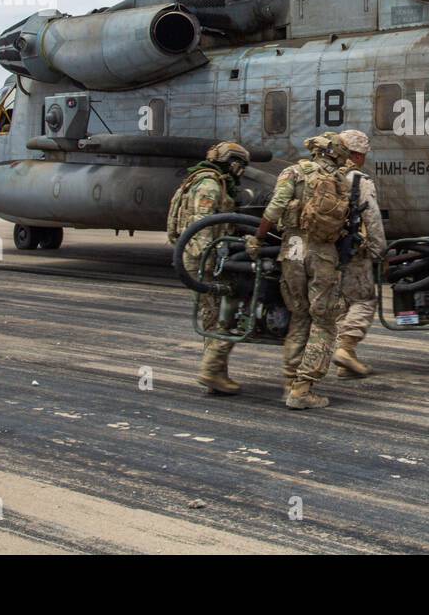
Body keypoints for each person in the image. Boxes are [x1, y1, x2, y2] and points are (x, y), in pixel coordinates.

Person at [250, 133, 352, 409]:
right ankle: (303, 388)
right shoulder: (341, 180)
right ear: (338, 154)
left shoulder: (292, 172)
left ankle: (289, 380)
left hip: (292, 248)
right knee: (324, 320)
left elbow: (274, 209)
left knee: (299, 317)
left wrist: (258, 239)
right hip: (322, 252)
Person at [166, 141, 251, 396]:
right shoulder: (210, 185)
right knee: (220, 316)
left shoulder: (200, 180)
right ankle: (213, 371)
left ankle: (215, 371)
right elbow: (201, 226)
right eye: (240, 166)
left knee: (213, 316)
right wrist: (211, 262)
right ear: (233, 163)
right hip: (203, 259)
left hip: (199, 257)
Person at [333, 128, 387, 377]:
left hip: (325, 251)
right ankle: (345, 348)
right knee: (364, 300)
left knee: (342, 303)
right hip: (353, 250)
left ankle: (347, 362)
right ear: (358, 155)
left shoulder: (322, 175)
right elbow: (372, 217)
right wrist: (378, 250)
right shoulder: (358, 180)